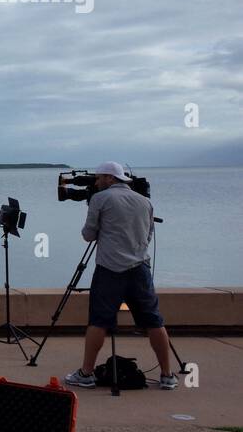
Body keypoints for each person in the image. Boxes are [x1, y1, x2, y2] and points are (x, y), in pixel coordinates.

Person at [64, 161, 177, 390]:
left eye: (99, 178)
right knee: (153, 320)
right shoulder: (145, 201)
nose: (96, 183)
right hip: (140, 268)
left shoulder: (100, 199)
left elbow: (88, 235)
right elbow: (148, 236)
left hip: (109, 269)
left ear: (110, 178)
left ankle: (86, 373)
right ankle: (167, 375)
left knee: (99, 321)